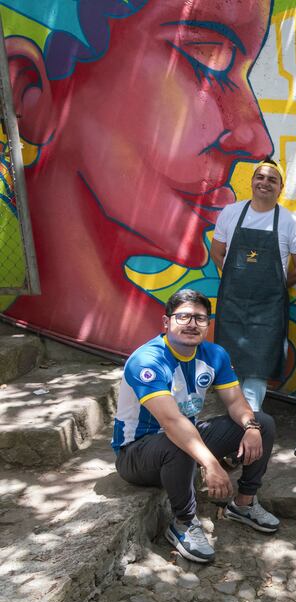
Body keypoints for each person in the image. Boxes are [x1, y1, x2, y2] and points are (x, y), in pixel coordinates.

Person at [4, 0, 277, 354]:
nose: (256, 140)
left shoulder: (187, 343)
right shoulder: (176, 346)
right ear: (28, 88)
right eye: (206, 57)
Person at [111, 289, 279, 564]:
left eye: (200, 318)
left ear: (207, 325)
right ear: (166, 322)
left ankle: (244, 504)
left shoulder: (214, 355)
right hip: (137, 453)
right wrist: (212, 465)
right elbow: (171, 422)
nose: (192, 324)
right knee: (177, 442)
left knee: (264, 423)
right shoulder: (148, 360)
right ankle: (183, 523)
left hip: (184, 437)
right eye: (184, 316)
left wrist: (251, 427)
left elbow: (236, 400)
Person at [212, 158, 296, 412]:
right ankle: (230, 425)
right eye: (260, 177)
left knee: (257, 369)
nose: (265, 183)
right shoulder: (231, 213)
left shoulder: (290, 223)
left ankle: (248, 426)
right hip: (232, 305)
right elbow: (217, 253)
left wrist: (275, 285)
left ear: (281, 187)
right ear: (252, 181)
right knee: (229, 367)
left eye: (272, 179)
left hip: (268, 311)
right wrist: (236, 279)